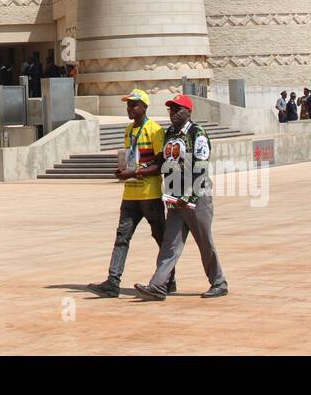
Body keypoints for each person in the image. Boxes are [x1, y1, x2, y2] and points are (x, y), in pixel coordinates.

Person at [135, 94, 228, 300]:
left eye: (178, 109)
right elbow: (165, 160)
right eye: (171, 109)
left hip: (196, 197)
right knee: (170, 243)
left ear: (188, 112)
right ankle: (158, 285)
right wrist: (141, 169)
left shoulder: (197, 133)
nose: (173, 113)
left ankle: (219, 282)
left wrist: (191, 197)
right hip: (175, 197)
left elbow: (201, 166)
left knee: (204, 241)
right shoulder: (169, 133)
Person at [88, 86, 171, 298]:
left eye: (134, 105)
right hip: (130, 194)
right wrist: (124, 171)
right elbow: (131, 157)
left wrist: (135, 172)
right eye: (128, 104)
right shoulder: (128, 131)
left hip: (150, 195)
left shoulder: (154, 130)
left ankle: (168, 280)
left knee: (160, 237)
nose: (130, 108)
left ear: (144, 107)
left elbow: (160, 164)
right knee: (122, 237)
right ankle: (112, 282)